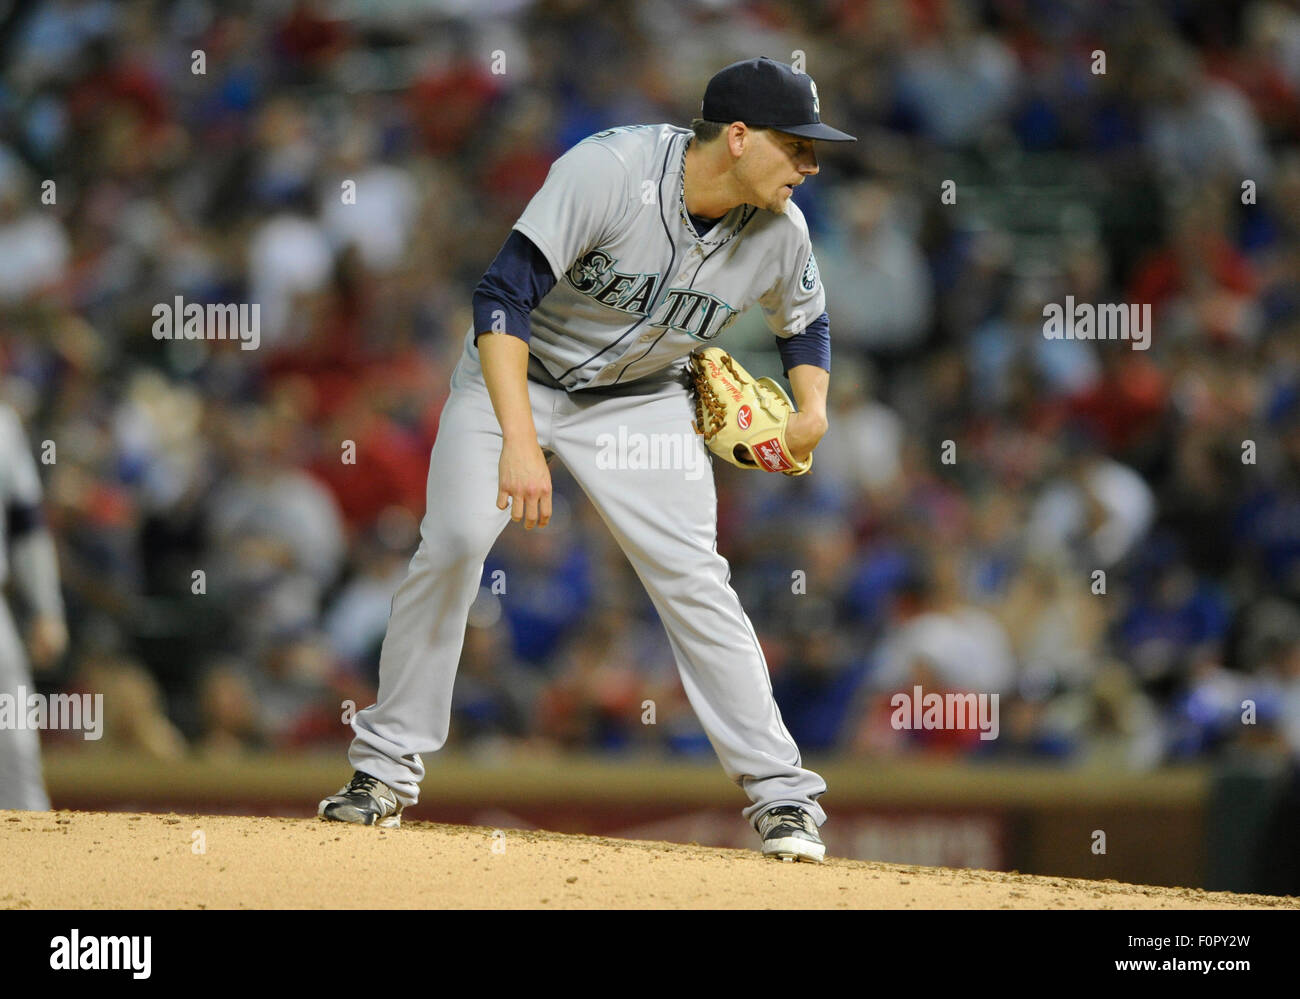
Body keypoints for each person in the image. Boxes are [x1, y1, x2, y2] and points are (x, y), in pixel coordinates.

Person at [319, 57, 855, 862]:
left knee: (693, 575)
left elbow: (802, 326)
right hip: (516, 375)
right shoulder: (609, 171)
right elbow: (501, 296)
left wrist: (810, 409)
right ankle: (384, 772)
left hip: (641, 398)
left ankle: (783, 798)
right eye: (796, 145)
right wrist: (521, 439)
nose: (810, 165)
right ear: (738, 138)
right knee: (457, 542)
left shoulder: (783, 231)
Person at [0, 401, 67, 809]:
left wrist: (47, 609)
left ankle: (34, 871)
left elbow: (26, 524)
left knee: (16, 753)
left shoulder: (3, 423)